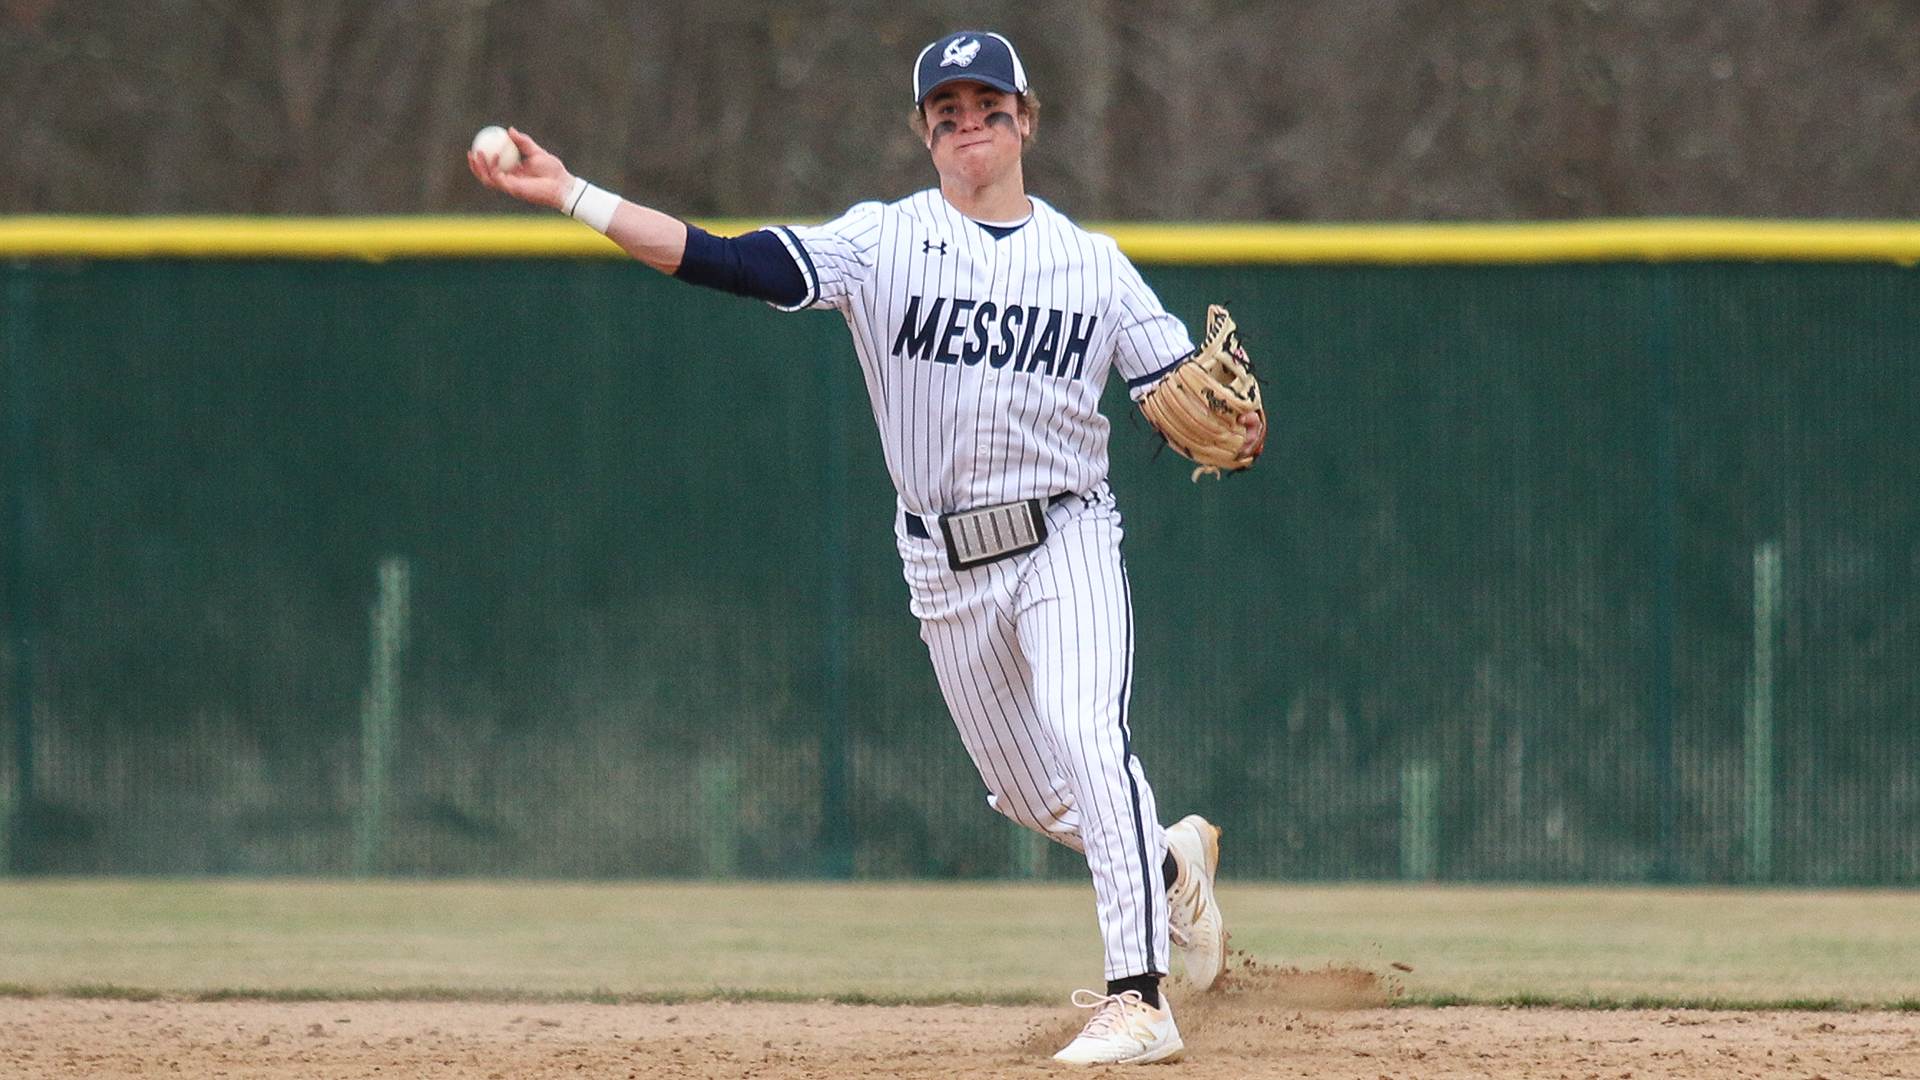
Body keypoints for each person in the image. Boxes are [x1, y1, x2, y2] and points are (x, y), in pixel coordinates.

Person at [470, 29, 1240, 1066]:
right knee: (1035, 795)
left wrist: (1218, 418)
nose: (972, 125)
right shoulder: (882, 242)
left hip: (1067, 536)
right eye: (949, 112)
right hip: (945, 566)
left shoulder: (1094, 268)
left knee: (1087, 732)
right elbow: (725, 258)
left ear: (1028, 119)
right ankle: (1172, 868)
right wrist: (575, 194)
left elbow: (1174, 386)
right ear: (926, 132)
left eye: (990, 106)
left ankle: (1139, 998)